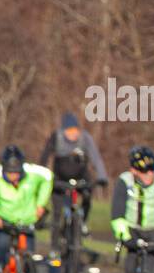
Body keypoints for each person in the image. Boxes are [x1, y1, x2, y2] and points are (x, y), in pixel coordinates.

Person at [0, 145, 52, 273]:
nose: (14, 176)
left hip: (27, 221)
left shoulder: (32, 171)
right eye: (11, 173)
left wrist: (41, 204)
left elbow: (48, 177)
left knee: (29, 254)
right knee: (2, 243)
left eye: (17, 172)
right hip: (4, 221)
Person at [38, 112, 108, 263]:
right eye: (70, 131)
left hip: (81, 177)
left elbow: (96, 158)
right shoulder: (56, 138)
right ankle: (55, 248)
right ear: (64, 131)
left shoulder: (85, 138)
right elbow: (44, 157)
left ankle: (82, 223)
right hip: (60, 179)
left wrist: (102, 177)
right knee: (57, 213)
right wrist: (41, 176)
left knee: (88, 196)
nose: (73, 134)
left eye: (75, 130)